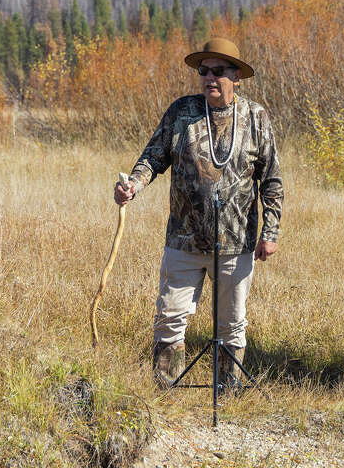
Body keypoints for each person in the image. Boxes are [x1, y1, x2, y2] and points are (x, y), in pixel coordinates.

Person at [114, 37, 283, 388]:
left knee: (231, 324)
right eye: (203, 71)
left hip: (236, 243)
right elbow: (153, 158)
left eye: (218, 71)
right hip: (184, 240)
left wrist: (270, 232)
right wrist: (133, 185)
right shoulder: (182, 112)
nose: (209, 78)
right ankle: (165, 391)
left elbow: (271, 180)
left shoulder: (255, 118)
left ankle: (228, 392)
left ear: (236, 76)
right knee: (169, 318)